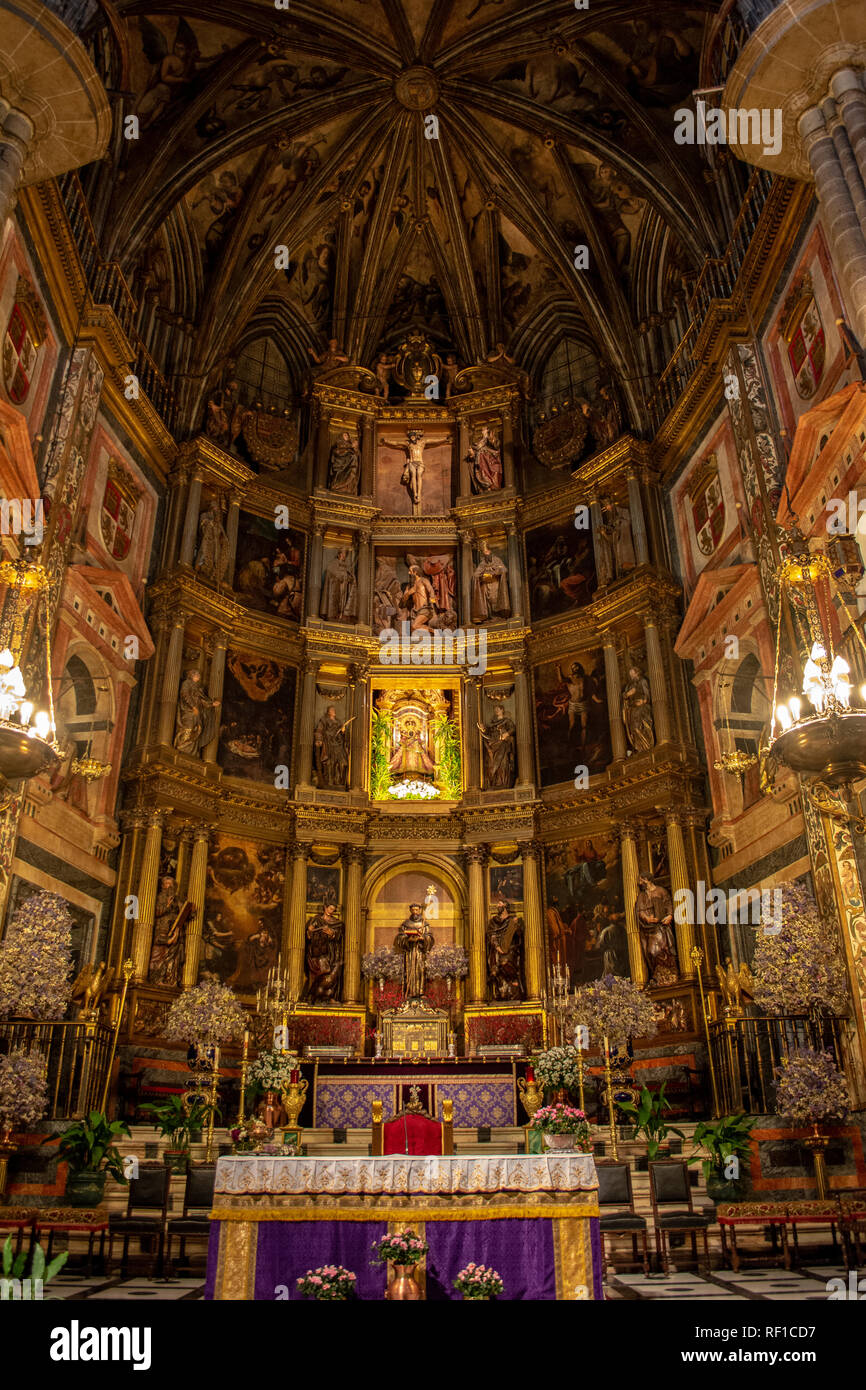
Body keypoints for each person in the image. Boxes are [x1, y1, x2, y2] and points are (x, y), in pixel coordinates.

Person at [635, 874, 678, 984]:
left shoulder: (661, 891)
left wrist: (669, 916)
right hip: (649, 928)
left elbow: (668, 904)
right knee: (651, 951)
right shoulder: (641, 896)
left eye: (642, 881)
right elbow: (640, 911)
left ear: (648, 880)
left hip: (661, 926)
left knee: (663, 948)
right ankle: (658, 973)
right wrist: (647, 918)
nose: (640, 884)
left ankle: (668, 973)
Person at [148, 877, 185, 986]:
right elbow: (157, 911)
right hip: (162, 930)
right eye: (166, 884)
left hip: (175, 931)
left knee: (172, 958)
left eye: (170, 884)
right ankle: (155, 979)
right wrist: (167, 905)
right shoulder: (161, 897)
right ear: (163, 886)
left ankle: (169, 979)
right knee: (158, 956)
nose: (169, 886)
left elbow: (182, 911)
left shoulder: (177, 899)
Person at [173, 669, 220, 754]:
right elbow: (185, 695)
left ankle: (190, 752)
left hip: (197, 713)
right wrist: (193, 706)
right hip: (188, 711)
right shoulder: (186, 683)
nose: (198, 675)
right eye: (196, 674)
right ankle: (181, 747)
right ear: (191, 675)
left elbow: (202, 701)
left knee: (197, 730)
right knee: (188, 728)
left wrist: (212, 704)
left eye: (199, 674)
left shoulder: (198, 688)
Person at [304, 902, 344, 1001]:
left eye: (333, 909)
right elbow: (309, 934)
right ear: (325, 908)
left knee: (333, 972)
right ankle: (315, 994)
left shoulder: (336, 922)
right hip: (319, 951)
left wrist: (332, 933)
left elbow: (338, 935)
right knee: (323, 971)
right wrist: (310, 930)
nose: (331, 911)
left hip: (332, 951)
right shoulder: (316, 920)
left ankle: (330, 996)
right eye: (330, 908)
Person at [394, 903, 433, 1000]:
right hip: (409, 952)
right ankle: (409, 992)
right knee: (409, 971)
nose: (415, 912)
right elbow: (400, 937)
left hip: (420, 952)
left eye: (417, 910)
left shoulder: (424, 924)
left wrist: (422, 938)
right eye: (413, 910)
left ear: (419, 910)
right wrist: (408, 940)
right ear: (410, 911)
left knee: (420, 971)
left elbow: (430, 937)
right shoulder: (406, 924)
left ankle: (421, 992)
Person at [486, 901, 524, 1000]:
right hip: (496, 950)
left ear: (506, 907)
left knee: (506, 962)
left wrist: (516, 927)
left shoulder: (511, 921)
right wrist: (498, 947)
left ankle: (512, 989)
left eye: (500, 904)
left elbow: (518, 937)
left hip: (510, 950)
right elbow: (491, 935)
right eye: (497, 904)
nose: (498, 906)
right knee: (496, 968)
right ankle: (501, 991)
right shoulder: (493, 921)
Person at [471, 541, 511, 623]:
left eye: (486, 552)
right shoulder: (482, 564)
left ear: (490, 551)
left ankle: (498, 616)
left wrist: (496, 571)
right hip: (486, 585)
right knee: (487, 601)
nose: (485, 554)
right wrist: (481, 576)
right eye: (484, 552)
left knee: (494, 599)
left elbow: (504, 570)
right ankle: (491, 616)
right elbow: (476, 574)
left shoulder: (497, 560)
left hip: (495, 584)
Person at [478, 706, 516, 788]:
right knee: (492, 764)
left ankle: (503, 782)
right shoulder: (492, 724)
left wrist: (507, 734)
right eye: (495, 710)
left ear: (502, 710)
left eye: (498, 709)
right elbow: (488, 734)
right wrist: (483, 729)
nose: (496, 711)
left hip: (503, 744)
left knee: (503, 764)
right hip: (493, 744)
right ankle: (495, 782)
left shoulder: (507, 721)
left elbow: (512, 729)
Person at [313, 705, 351, 788]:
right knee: (330, 763)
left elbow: (343, 732)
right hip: (329, 744)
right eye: (332, 710)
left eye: (334, 710)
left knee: (342, 763)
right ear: (328, 712)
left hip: (339, 744)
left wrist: (343, 731)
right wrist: (319, 740)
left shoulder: (339, 721)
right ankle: (329, 781)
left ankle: (339, 781)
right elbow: (319, 730)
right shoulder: (324, 720)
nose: (334, 711)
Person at [319, 548, 357, 623]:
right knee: (337, 601)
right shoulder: (333, 564)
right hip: (335, 588)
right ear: (339, 554)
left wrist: (350, 579)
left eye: (345, 554)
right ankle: (334, 614)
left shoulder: (347, 566)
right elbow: (330, 573)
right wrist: (338, 577)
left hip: (345, 588)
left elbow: (350, 576)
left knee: (343, 601)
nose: (344, 556)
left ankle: (342, 614)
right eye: (343, 554)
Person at [622, 666, 655, 751]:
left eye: (633, 674)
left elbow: (647, 694)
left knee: (640, 726)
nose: (632, 676)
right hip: (633, 709)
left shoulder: (642, 681)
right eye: (630, 675)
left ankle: (647, 745)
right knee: (633, 728)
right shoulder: (629, 685)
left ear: (637, 673)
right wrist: (627, 694)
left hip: (642, 707)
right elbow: (625, 696)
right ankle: (639, 748)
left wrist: (643, 701)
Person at [467, 424, 504, 492]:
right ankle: (486, 487)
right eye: (482, 429)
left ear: (488, 430)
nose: (482, 430)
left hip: (490, 461)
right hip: (481, 462)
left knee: (490, 473)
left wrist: (484, 450)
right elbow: (476, 452)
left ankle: (492, 485)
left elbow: (495, 449)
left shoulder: (491, 439)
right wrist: (472, 453)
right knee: (482, 473)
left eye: (484, 429)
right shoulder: (480, 441)